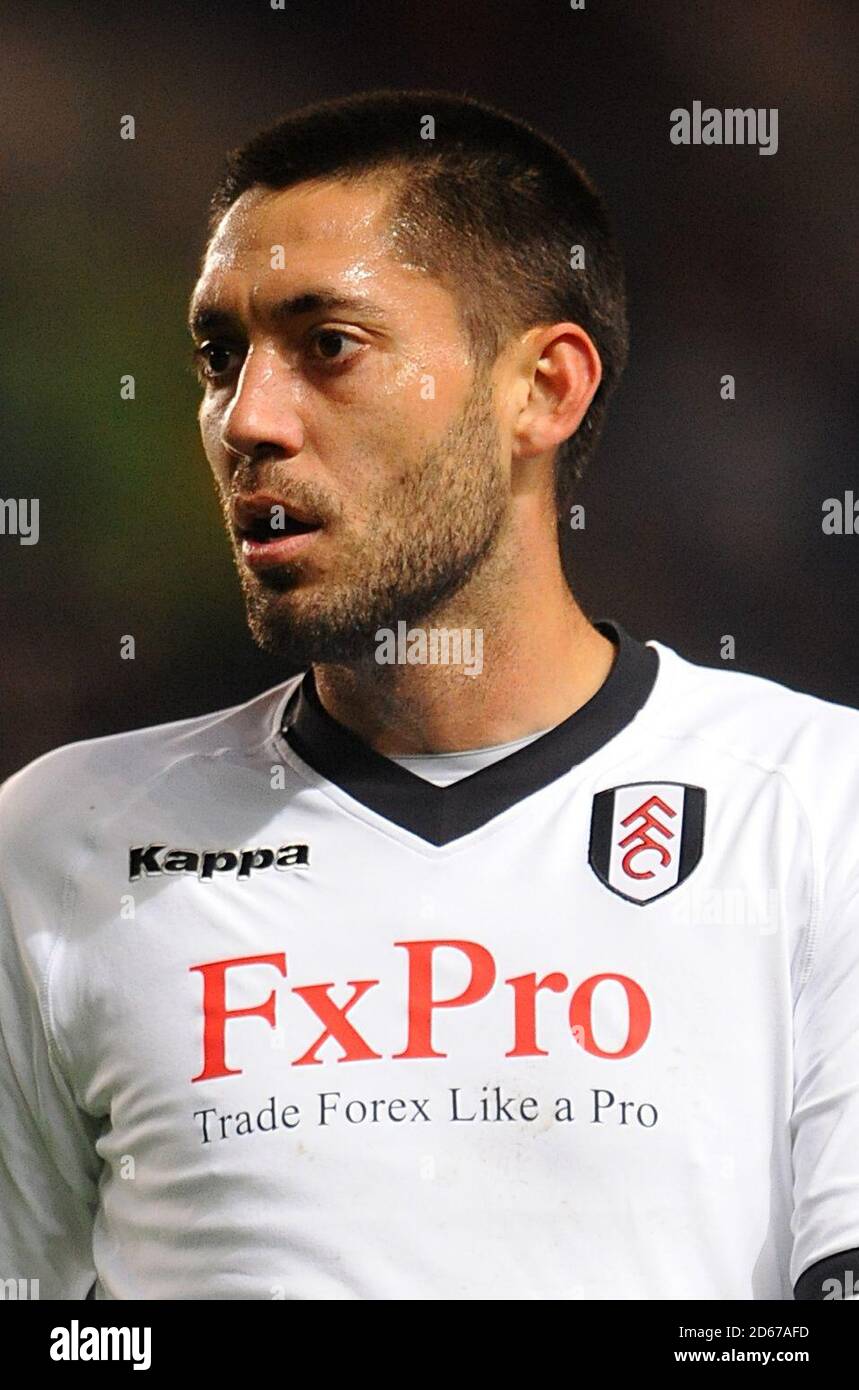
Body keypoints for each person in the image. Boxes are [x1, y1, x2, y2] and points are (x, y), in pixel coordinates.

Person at [1, 88, 857, 1301]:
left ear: (542, 392)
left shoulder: (818, 806)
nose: (246, 418)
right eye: (217, 356)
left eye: (329, 345)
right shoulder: (59, 842)